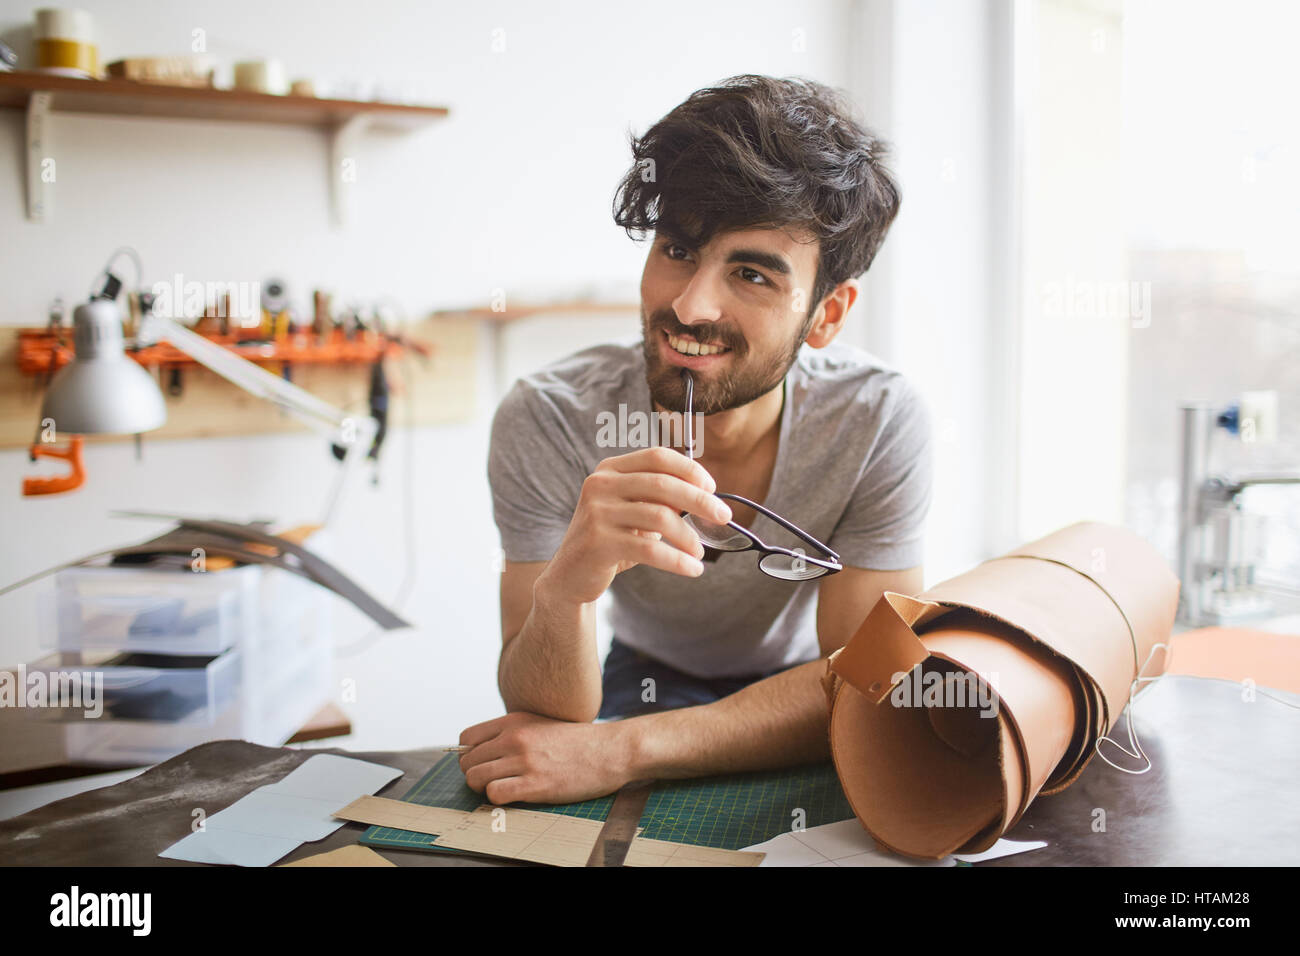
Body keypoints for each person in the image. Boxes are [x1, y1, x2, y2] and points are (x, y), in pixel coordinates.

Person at [458, 74, 931, 804]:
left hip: (799, 688)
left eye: (750, 273)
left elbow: (868, 674)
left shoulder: (876, 421)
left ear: (827, 314)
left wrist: (629, 748)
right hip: (636, 674)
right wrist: (567, 588)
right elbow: (547, 717)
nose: (689, 305)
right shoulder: (548, 417)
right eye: (678, 250)